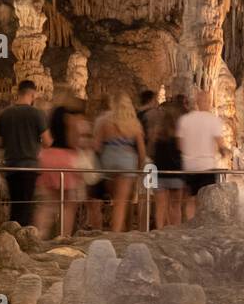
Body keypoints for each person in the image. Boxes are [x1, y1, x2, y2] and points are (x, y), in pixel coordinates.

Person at [0, 81, 50, 226]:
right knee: (25, 206)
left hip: (11, 166)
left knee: (15, 204)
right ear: (32, 94)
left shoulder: (5, 114)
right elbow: (47, 141)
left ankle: (13, 236)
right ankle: (22, 239)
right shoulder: (36, 114)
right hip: (29, 166)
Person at [34, 106, 95, 238]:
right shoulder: (72, 120)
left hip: (48, 157)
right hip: (66, 159)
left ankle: (39, 235)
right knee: (68, 205)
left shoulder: (53, 118)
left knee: (47, 204)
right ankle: (64, 236)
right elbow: (74, 141)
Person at [94, 92, 147, 232]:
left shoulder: (105, 121)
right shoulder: (134, 123)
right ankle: (116, 233)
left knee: (112, 199)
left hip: (109, 160)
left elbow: (97, 146)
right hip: (127, 162)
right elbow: (142, 151)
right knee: (121, 202)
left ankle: (112, 225)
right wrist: (139, 169)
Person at [176, 89, 226, 220]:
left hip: (189, 166)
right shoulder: (213, 120)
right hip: (207, 166)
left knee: (190, 200)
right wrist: (224, 152)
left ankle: (190, 225)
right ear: (208, 102)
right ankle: (202, 229)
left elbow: (179, 145)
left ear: (196, 102)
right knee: (205, 200)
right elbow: (221, 145)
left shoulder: (185, 119)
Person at [149, 98, 187, 228]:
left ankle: (160, 230)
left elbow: (151, 153)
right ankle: (175, 231)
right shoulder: (179, 135)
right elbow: (183, 152)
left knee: (160, 207)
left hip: (159, 174)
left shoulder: (156, 135)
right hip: (175, 174)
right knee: (175, 206)